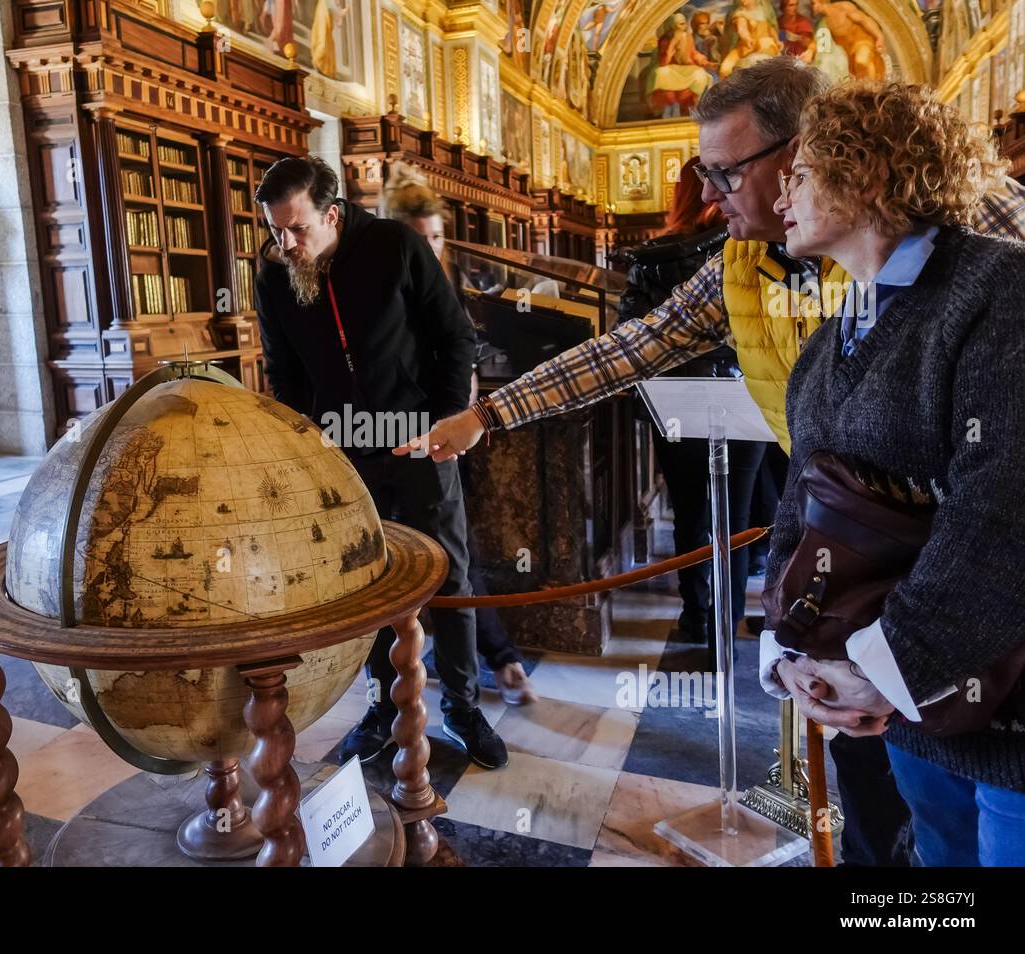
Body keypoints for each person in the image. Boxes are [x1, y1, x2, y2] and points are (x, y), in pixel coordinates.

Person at [393, 56, 1025, 865]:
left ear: (813, 156)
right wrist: (489, 411)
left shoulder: (982, 247)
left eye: (725, 171)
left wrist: (894, 656)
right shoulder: (752, 269)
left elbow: (1002, 502)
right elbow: (636, 351)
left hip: (982, 616)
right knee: (896, 821)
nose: (711, 191)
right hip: (866, 593)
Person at [763, 81, 1025, 866]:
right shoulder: (834, 335)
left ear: (869, 174)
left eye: (801, 172)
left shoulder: (999, 289)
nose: (783, 196)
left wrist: (889, 666)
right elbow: (801, 502)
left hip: (1007, 714)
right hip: (920, 712)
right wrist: (792, 647)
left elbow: (1003, 503)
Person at [251, 156, 509, 770]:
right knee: (364, 583)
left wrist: (443, 421)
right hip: (342, 451)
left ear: (332, 214)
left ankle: (464, 708)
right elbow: (283, 372)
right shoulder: (273, 273)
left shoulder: (394, 246)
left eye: (297, 229)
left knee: (447, 574)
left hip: (418, 440)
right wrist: (303, 445)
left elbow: (456, 337)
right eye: (274, 230)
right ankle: (381, 708)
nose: (285, 243)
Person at [383, 162, 539, 707]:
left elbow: (459, 349)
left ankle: (486, 668)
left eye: (437, 237)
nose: (430, 248)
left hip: (450, 432)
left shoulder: (443, 278)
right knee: (404, 556)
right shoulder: (384, 287)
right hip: (398, 436)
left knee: (457, 553)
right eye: (419, 239)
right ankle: (404, 687)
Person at [613, 157, 766, 661]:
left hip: (674, 399)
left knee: (689, 513)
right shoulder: (750, 246)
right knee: (736, 518)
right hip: (746, 394)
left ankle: (695, 611)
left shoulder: (654, 254)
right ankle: (728, 624)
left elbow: (630, 335)